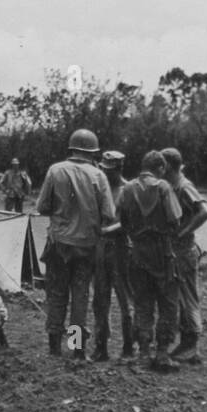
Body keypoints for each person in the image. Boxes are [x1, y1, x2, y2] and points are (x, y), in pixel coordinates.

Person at [35, 129, 118, 360]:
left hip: (58, 243)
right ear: (92, 153)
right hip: (86, 247)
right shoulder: (98, 176)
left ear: (71, 150)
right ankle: (76, 348)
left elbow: (42, 207)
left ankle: (54, 348)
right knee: (80, 298)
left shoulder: (55, 170)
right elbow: (109, 214)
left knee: (56, 296)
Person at [117, 151, 182, 372]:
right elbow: (175, 220)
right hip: (162, 252)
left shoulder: (127, 189)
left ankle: (144, 353)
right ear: (161, 168)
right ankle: (162, 353)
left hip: (137, 251)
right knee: (167, 303)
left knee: (142, 303)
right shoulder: (163, 188)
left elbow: (122, 221)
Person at [162, 147, 207, 364]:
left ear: (168, 166)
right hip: (177, 251)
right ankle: (186, 342)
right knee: (180, 298)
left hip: (185, 250)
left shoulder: (183, 186)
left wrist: (183, 232)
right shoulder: (173, 186)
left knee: (188, 297)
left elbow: (204, 212)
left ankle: (191, 345)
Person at [91, 150, 134, 361]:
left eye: (109, 170)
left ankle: (129, 346)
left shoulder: (128, 190)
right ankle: (101, 346)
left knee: (125, 299)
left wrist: (107, 230)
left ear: (119, 169)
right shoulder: (100, 190)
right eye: (103, 170)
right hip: (100, 248)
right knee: (100, 298)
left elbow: (129, 222)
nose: (105, 174)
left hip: (120, 248)